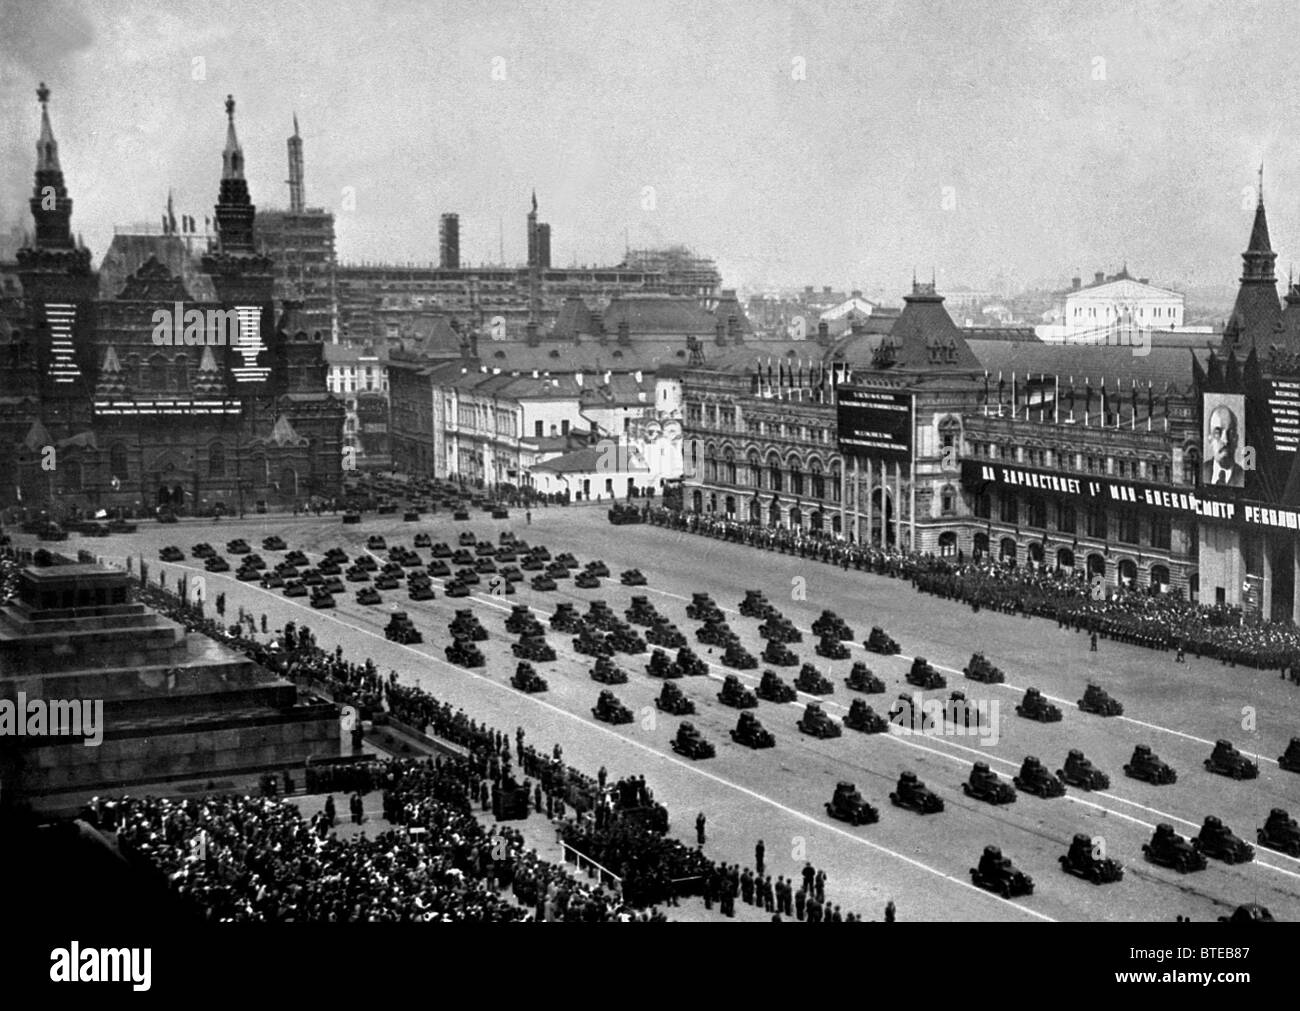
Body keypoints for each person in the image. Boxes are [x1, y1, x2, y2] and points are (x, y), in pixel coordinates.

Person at [1202, 403, 1245, 487]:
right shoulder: (1201, 471)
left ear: (1236, 439)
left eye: (1230, 433)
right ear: (1209, 438)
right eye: (1218, 432)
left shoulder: (1243, 477)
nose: (1225, 440)